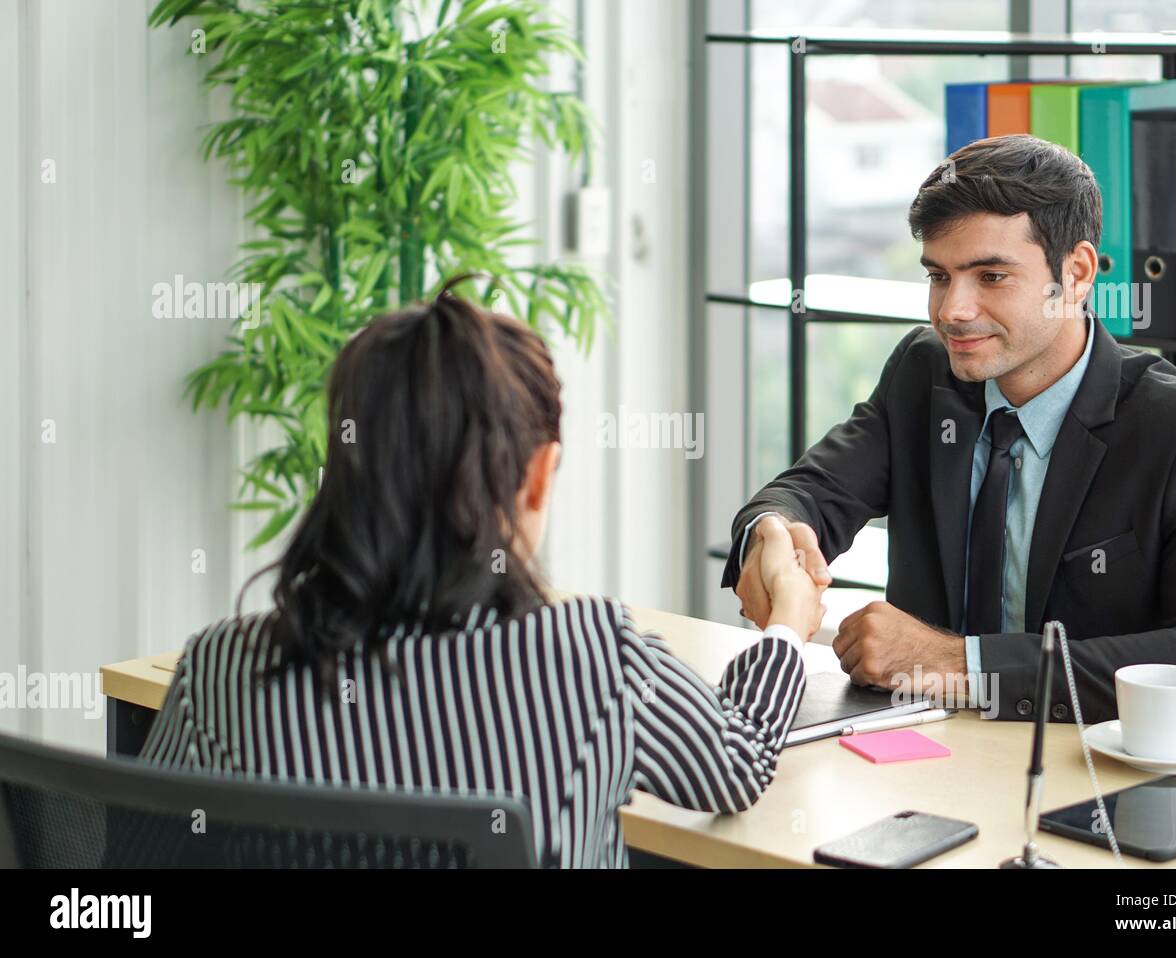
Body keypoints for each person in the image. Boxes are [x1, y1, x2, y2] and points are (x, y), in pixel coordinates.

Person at [142, 279, 824, 867]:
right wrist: (787, 624)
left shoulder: (217, 673)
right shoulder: (594, 658)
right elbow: (735, 763)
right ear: (537, 476)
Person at [724, 134, 1176, 728]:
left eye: (990, 277)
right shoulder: (923, 373)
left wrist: (959, 664)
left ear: (1076, 273)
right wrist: (773, 533)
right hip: (927, 764)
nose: (951, 311)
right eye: (939, 277)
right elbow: (813, 490)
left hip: (1094, 781)